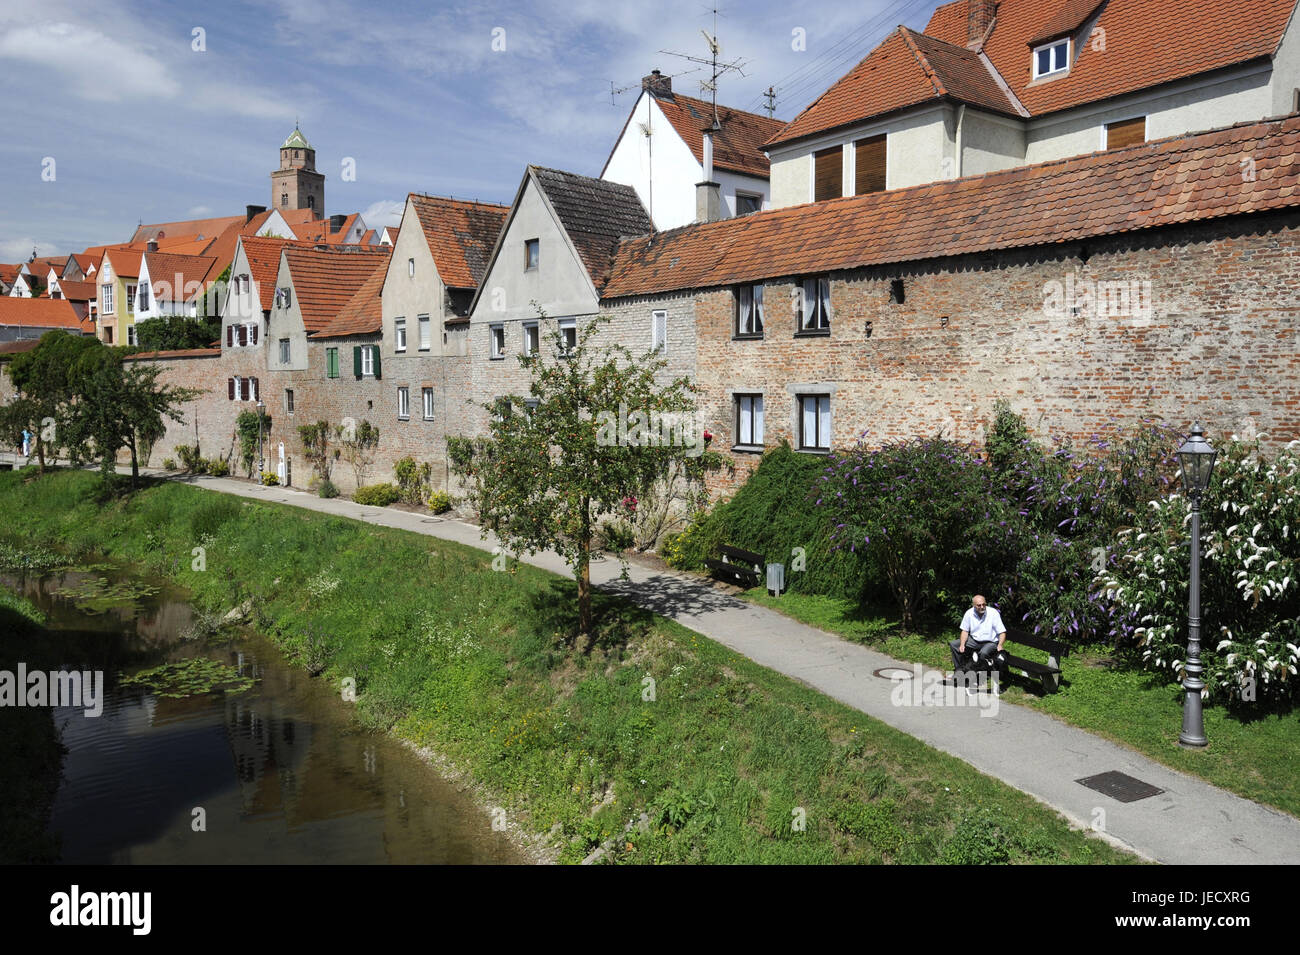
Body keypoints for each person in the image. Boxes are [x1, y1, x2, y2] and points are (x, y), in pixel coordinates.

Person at [950, 594, 1006, 672]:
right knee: (954, 645)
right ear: (974, 605)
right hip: (974, 640)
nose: (982, 607)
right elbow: (965, 631)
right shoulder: (969, 613)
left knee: (983, 653)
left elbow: (1002, 632)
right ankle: (959, 670)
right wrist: (962, 644)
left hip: (990, 642)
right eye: (979, 605)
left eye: (984, 604)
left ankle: (980, 674)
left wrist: (1000, 644)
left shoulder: (993, 613)